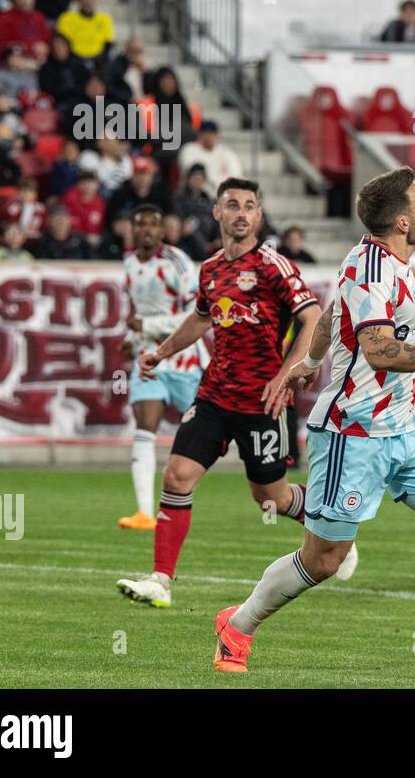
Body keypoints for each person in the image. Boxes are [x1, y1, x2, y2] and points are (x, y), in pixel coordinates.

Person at [213, 166, 415, 673]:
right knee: (323, 560)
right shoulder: (372, 269)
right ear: (402, 221)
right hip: (353, 435)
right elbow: (378, 350)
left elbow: (335, 313)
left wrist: (308, 364)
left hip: (410, 430)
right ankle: (238, 626)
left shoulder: (386, 261)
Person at [115, 177, 323, 610]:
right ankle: (161, 580)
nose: (241, 213)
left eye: (250, 205)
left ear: (259, 216)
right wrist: (162, 351)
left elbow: (313, 317)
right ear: (217, 213)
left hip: (263, 401)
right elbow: (200, 318)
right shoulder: (210, 269)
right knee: (176, 476)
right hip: (215, 393)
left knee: (270, 497)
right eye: (233, 205)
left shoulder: (273, 266)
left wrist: (288, 373)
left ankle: (328, 523)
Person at [118, 204, 209, 531]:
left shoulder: (177, 262)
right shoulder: (129, 265)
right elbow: (136, 313)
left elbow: (196, 317)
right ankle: (144, 513)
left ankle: (267, 480)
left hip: (186, 361)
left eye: (152, 225)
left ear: (161, 230)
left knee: (214, 431)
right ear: (132, 228)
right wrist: (132, 336)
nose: (146, 230)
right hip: (149, 362)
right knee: (144, 429)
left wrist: (145, 325)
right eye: (139, 224)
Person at [54, 0, 114, 64]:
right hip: (73, 61)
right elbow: (61, 44)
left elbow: (108, 44)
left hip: (97, 61)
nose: (87, 1)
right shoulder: (66, 18)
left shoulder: (105, 19)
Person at [176, 119, 240, 193]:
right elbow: (193, 177)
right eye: (206, 133)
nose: (209, 137)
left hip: (223, 195)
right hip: (197, 195)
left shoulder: (227, 153)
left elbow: (235, 176)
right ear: (199, 134)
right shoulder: (189, 150)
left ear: (217, 135)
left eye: (212, 133)